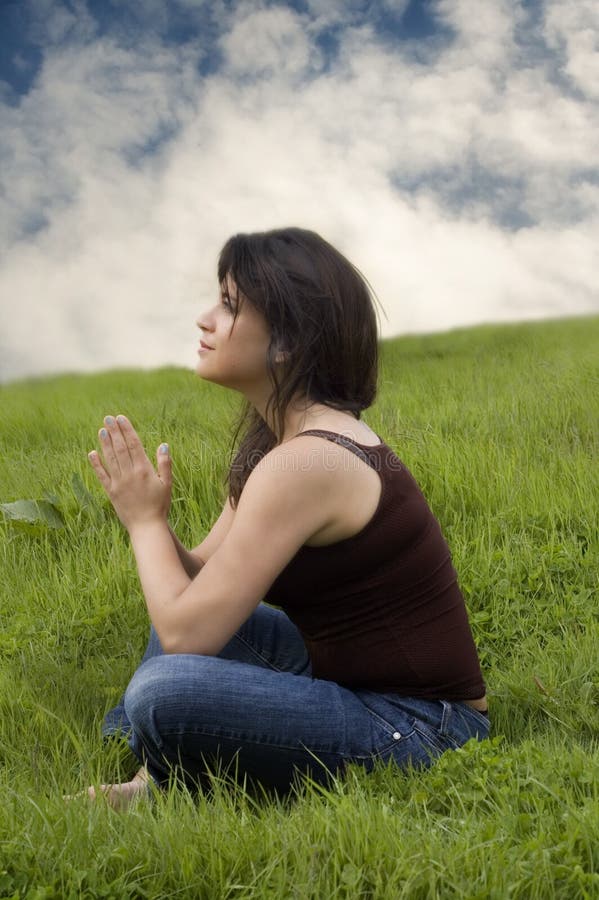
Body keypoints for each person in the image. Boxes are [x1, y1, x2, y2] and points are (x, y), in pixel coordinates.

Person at [86, 227, 489, 808]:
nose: (204, 319)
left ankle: (162, 778)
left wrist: (144, 524)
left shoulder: (306, 462)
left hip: (425, 727)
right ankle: (150, 768)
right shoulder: (276, 443)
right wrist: (155, 517)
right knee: (188, 623)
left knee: (164, 684)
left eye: (228, 306)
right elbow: (199, 579)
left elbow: (186, 634)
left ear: (287, 344)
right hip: (344, 678)